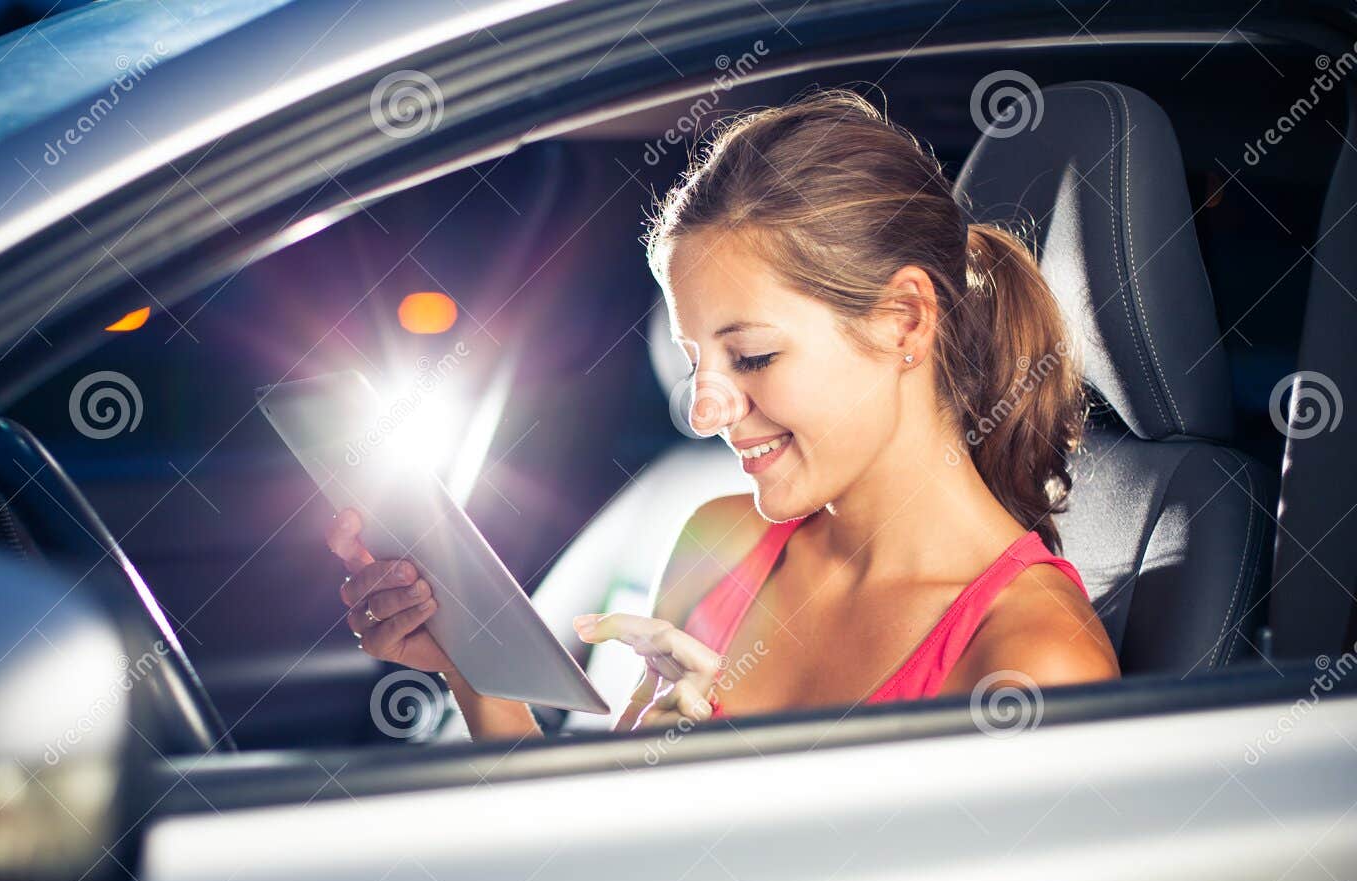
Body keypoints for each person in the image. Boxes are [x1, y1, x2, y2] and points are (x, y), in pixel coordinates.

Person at [327, 90, 1118, 742]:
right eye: (698, 359)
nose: (705, 410)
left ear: (904, 319)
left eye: (753, 357)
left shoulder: (1035, 656)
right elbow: (584, 866)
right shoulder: (720, 537)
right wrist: (470, 662)